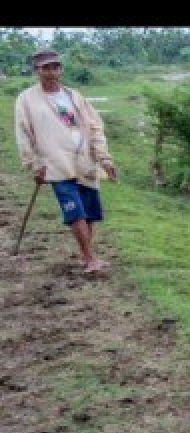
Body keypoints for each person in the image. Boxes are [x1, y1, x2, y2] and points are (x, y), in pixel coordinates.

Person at [14, 48, 118, 275]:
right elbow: (24, 134)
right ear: (36, 71)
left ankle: (85, 254)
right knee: (75, 212)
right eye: (46, 68)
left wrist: (104, 158)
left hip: (84, 161)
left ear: (60, 69)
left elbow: (95, 127)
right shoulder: (27, 100)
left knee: (89, 212)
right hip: (55, 165)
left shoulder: (74, 96)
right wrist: (34, 164)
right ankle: (91, 259)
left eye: (55, 67)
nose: (51, 72)